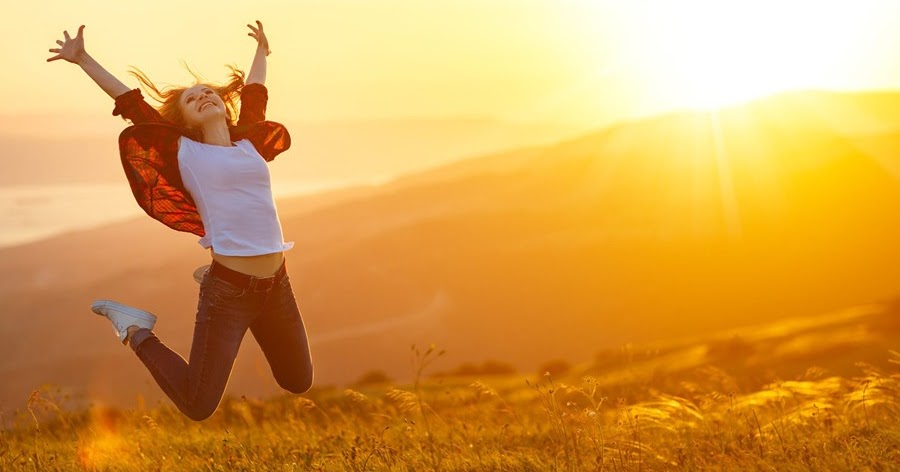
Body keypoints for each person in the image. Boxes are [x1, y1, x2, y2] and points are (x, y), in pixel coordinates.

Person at [47, 21, 313, 421]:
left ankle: (208, 275)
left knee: (298, 381)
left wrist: (262, 51)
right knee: (198, 404)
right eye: (192, 99)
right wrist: (83, 59)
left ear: (224, 104)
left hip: (278, 285)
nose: (203, 96)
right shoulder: (183, 151)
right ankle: (134, 329)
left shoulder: (249, 141)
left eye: (208, 92)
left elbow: (255, 92)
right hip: (230, 294)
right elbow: (131, 103)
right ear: (185, 121)